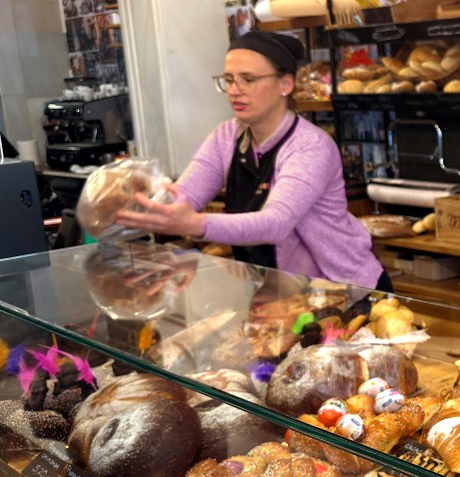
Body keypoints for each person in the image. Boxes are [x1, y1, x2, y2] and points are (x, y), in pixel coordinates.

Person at [117, 31, 390, 290]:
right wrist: (136, 204)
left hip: (344, 288)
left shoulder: (309, 146)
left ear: (285, 84)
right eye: (229, 80)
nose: (234, 91)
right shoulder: (226, 137)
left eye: (248, 79)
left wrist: (196, 224)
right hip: (275, 290)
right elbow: (184, 197)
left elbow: (276, 223)